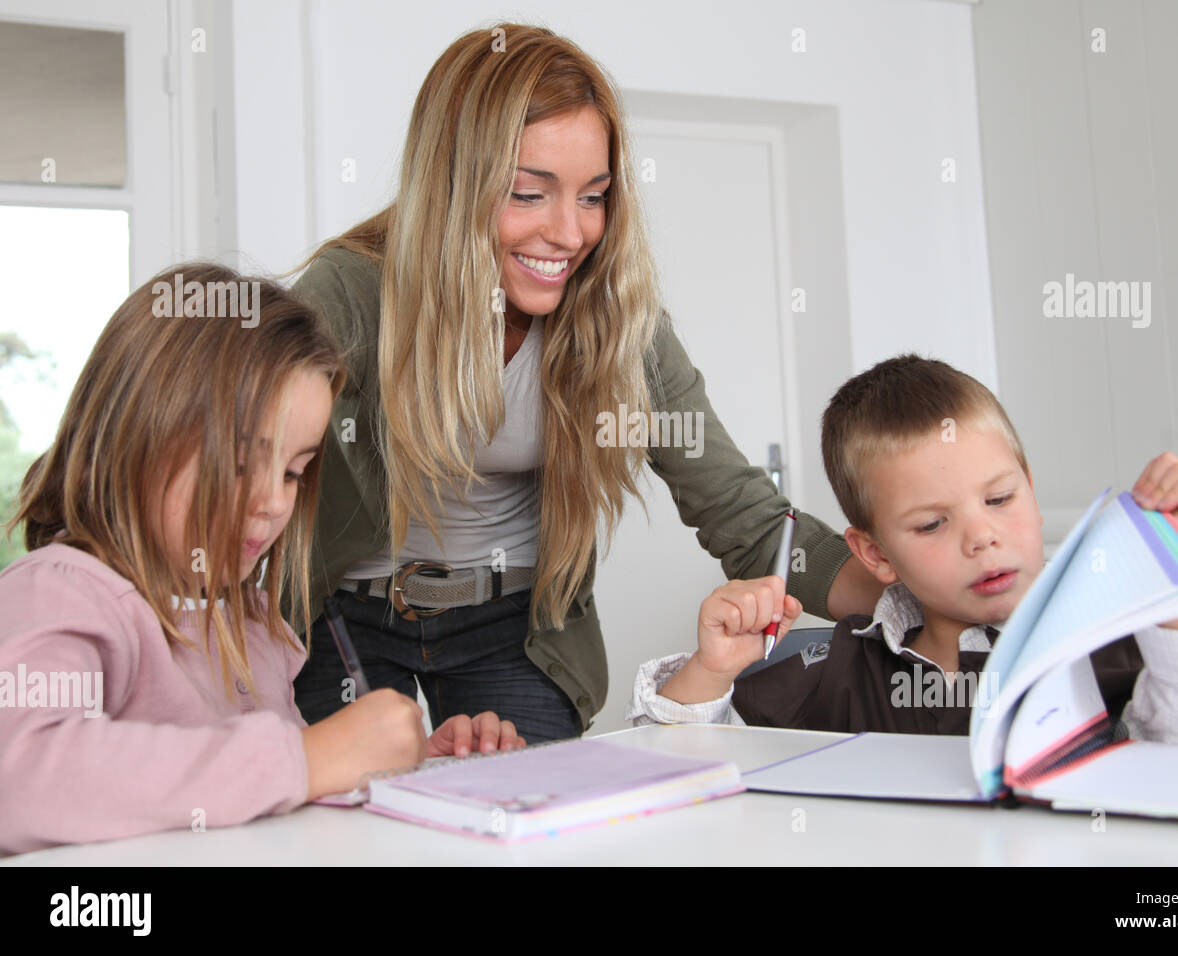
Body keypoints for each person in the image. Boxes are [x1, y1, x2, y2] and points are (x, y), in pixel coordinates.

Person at [287, 23, 880, 741]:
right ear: (451, 185)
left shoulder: (617, 318)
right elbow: (245, 484)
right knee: (359, 839)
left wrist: (913, 600)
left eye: (593, 197)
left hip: (517, 628)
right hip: (346, 619)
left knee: (538, 824)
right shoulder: (350, 295)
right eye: (529, 195)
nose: (569, 234)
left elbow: (747, 517)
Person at [0, 263, 521, 855]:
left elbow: (270, 799)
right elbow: (18, 780)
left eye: (295, 472)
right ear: (141, 428)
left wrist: (388, 773)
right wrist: (309, 759)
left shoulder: (246, 623)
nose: (274, 503)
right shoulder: (60, 593)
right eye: (244, 464)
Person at [628, 354, 1178, 751]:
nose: (982, 537)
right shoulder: (837, 669)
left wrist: (1166, 574)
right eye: (933, 524)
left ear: (1030, 485)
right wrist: (710, 673)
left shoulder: (1121, 643)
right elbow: (675, 783)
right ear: (876, 555)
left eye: (1000, 500)